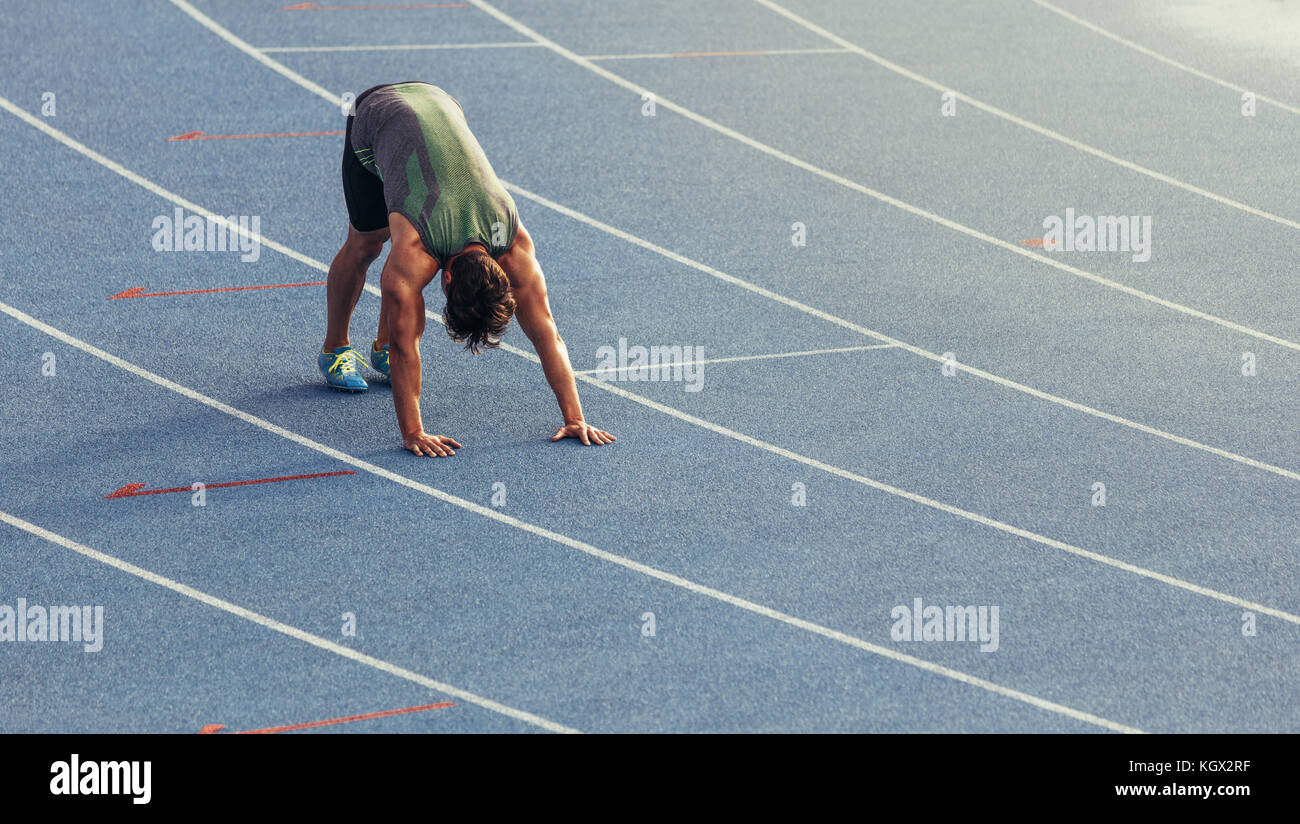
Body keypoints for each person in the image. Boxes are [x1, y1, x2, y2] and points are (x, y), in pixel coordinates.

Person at [320, 81, 614, 456]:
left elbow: (547, 334)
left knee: (401, 281)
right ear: (445, 277)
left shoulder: (514, 246)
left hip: (442, 99)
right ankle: (334, 349)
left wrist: (575, 417)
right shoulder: (415, 249)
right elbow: (407, 345)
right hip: (378, 113)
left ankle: (379, 350)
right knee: (368, 244)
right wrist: (413, 433)